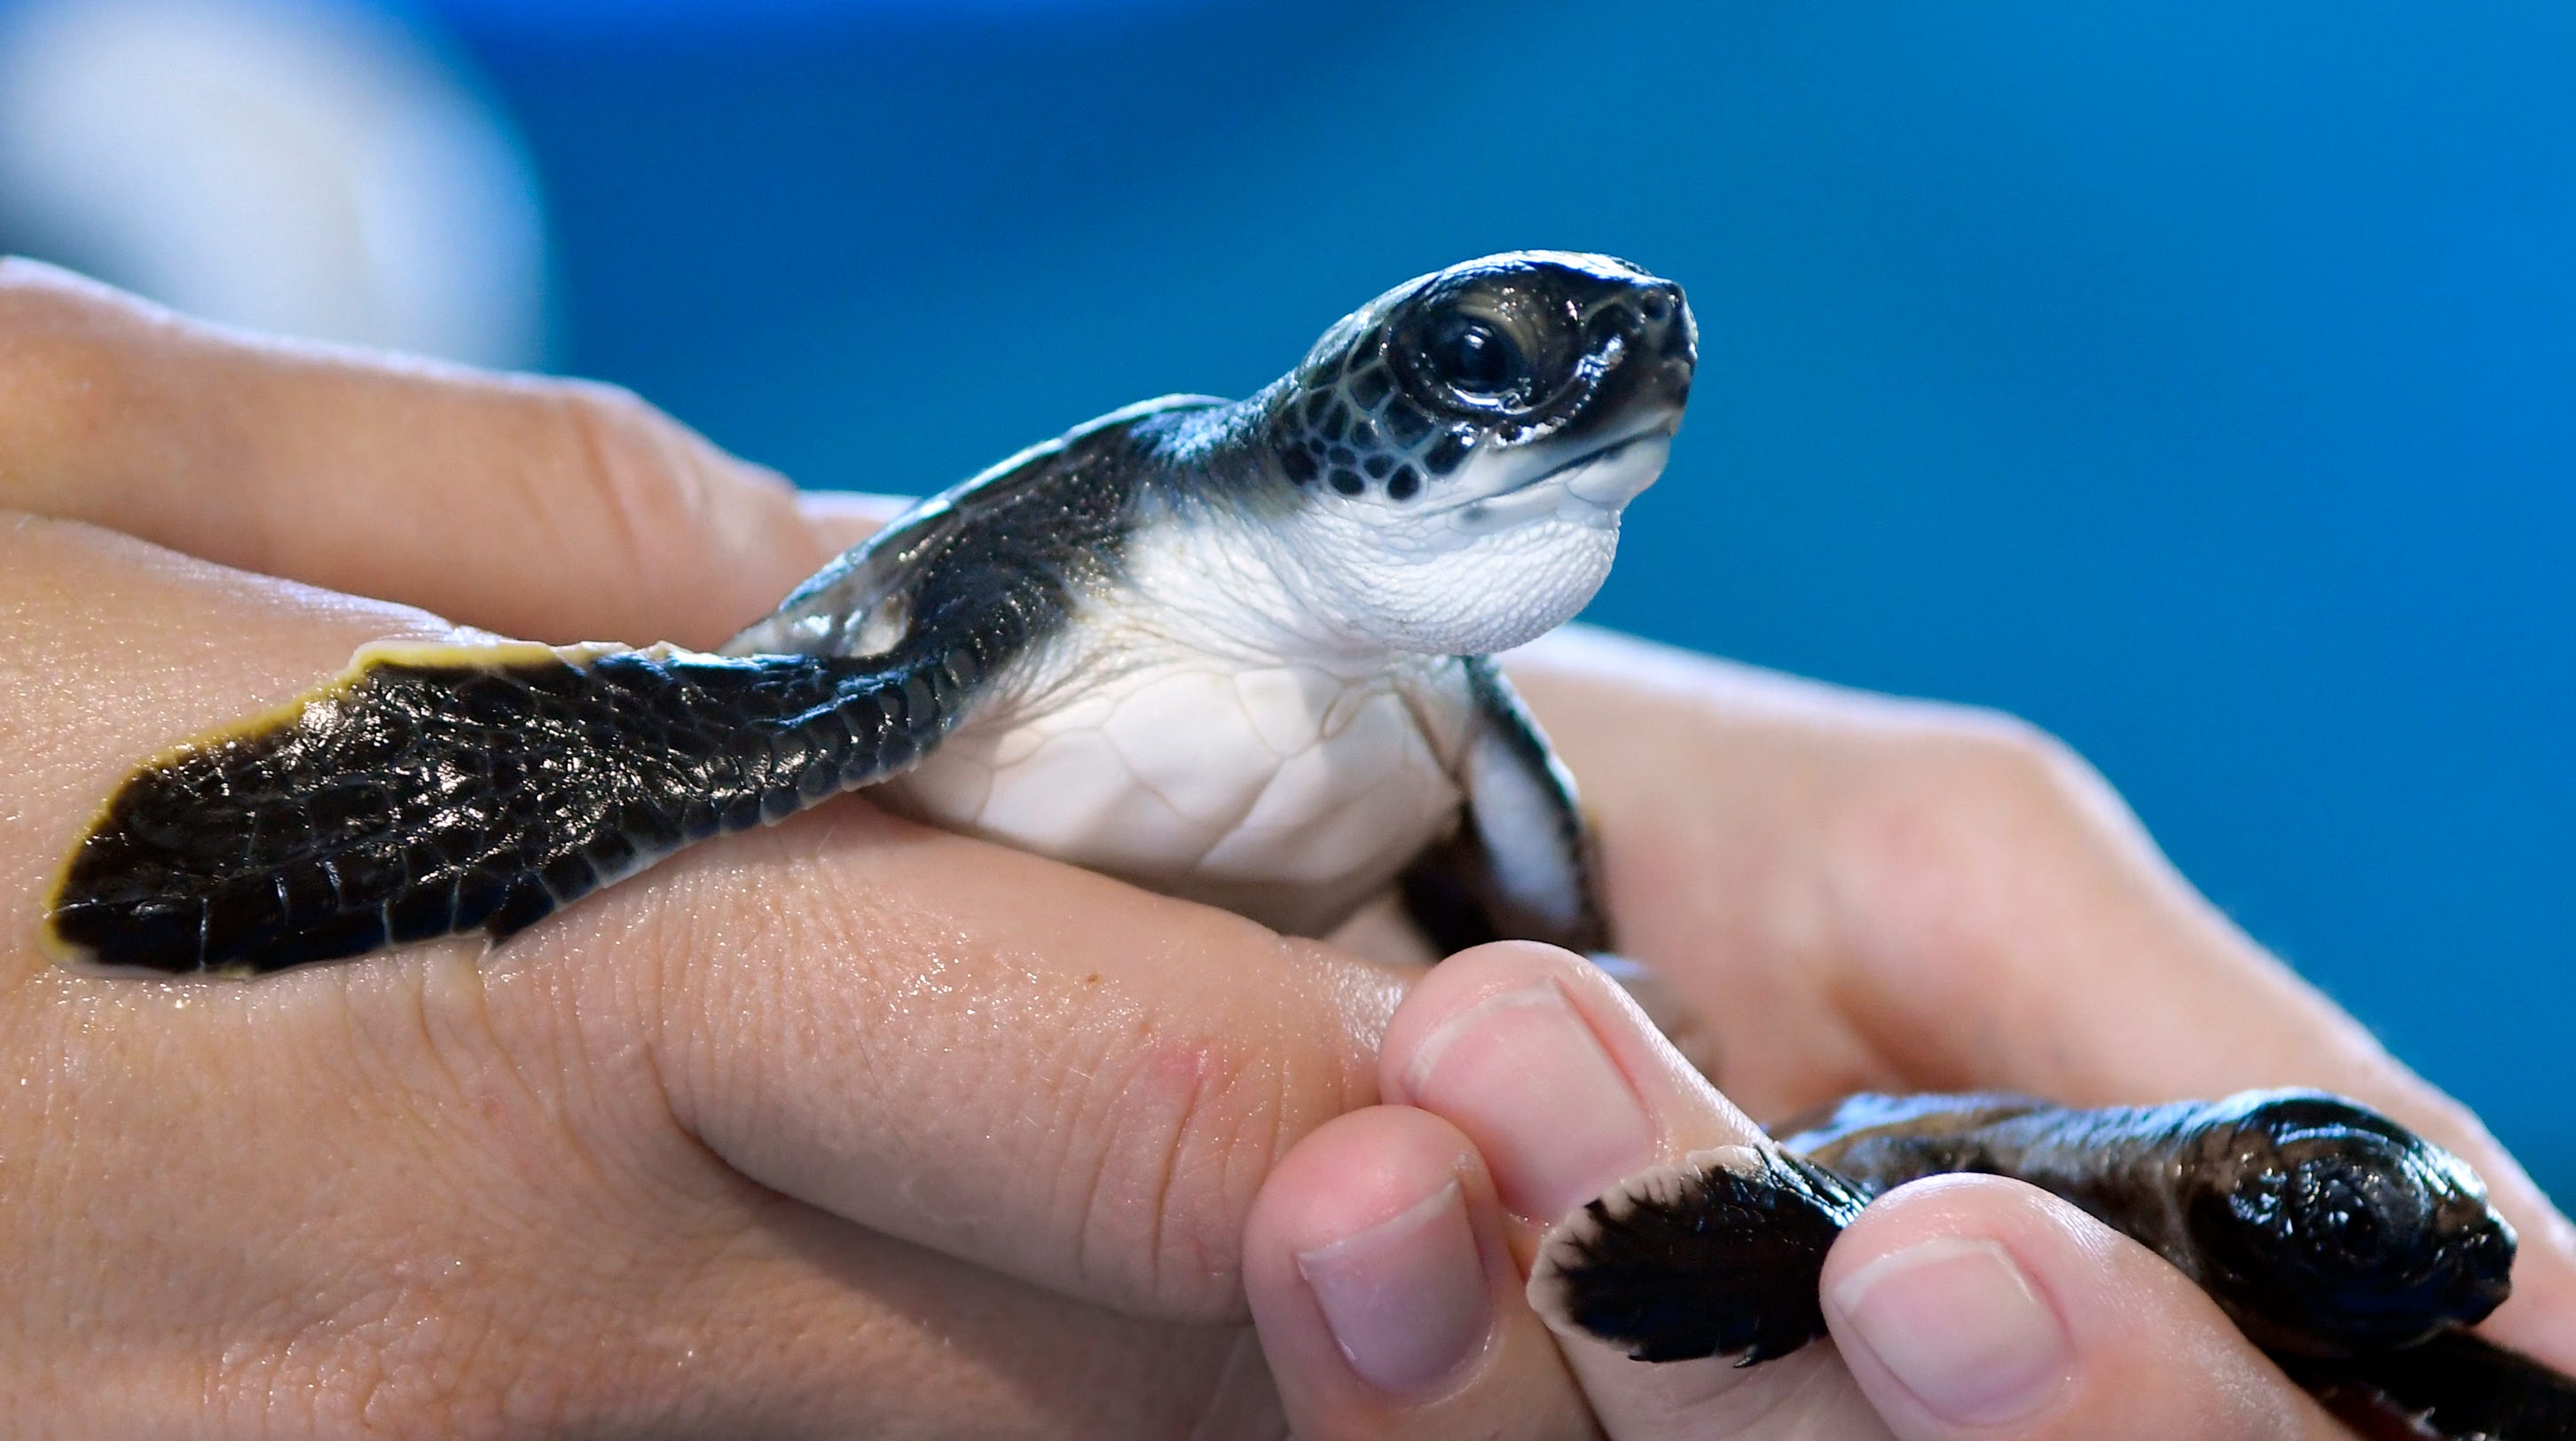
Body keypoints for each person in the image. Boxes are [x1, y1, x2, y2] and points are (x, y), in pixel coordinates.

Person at [0, 257, 2564, 1439]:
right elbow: (747, 704)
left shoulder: (1448, 709)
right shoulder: (1094, 548)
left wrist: (1690, 1072)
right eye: (1487, 369)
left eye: (1625, 382)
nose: (1591, 391)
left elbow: (1565, 931)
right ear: (1344, 416)